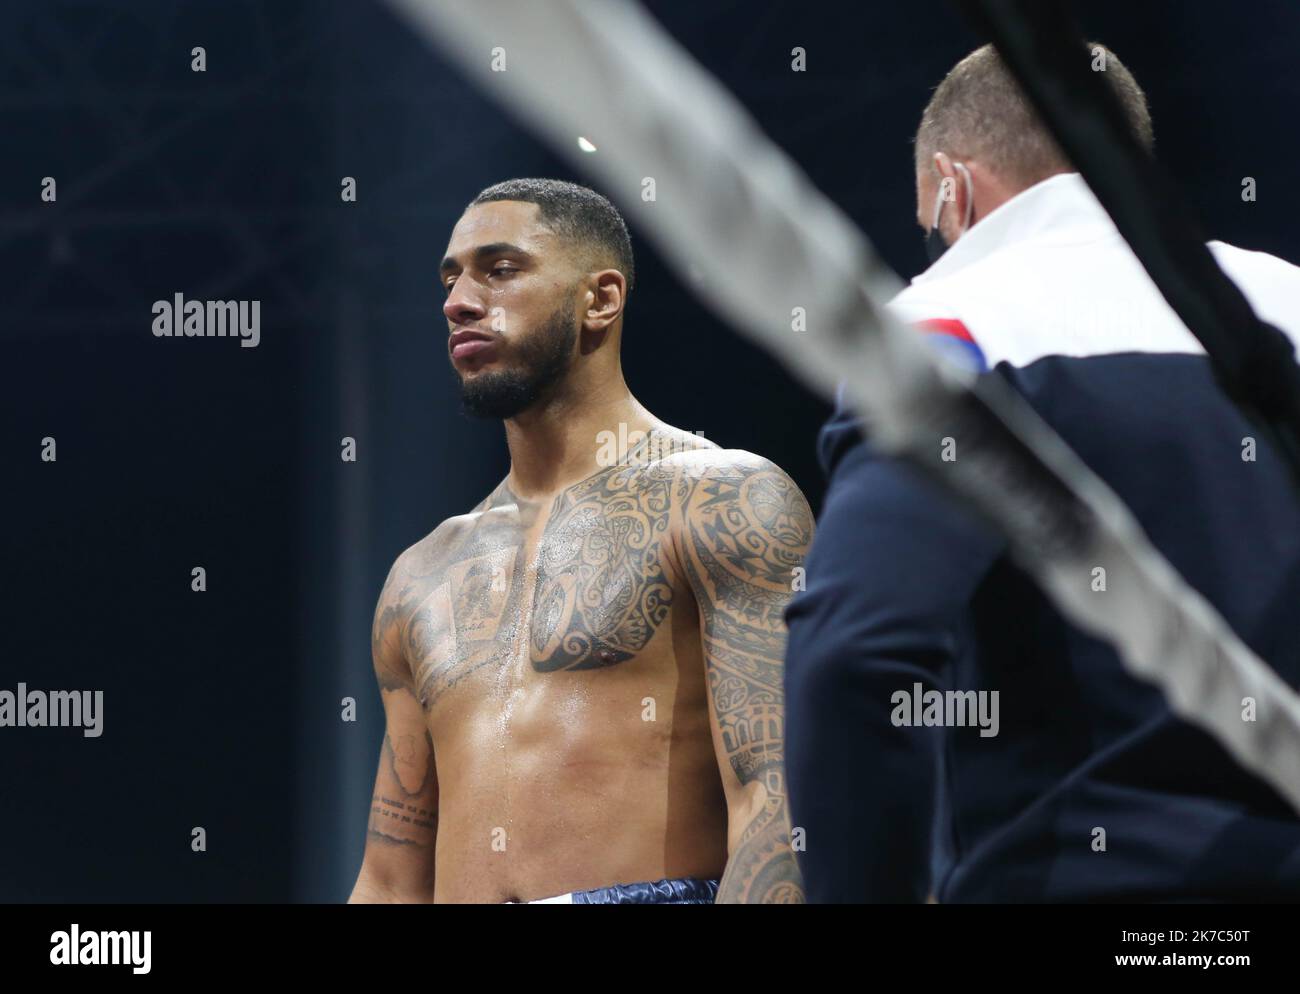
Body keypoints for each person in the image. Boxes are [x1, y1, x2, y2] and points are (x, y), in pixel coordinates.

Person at [784, 43, 1300, 902]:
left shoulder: (961, 319)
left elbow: (857, 656)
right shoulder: (1286, 303)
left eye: (933, 225)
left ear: (954, 187)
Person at [348, 178, 811, 904]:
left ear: (600, 299)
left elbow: (779, 805)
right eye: (451, 277)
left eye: (499, 270)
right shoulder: (423, 573)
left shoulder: (722, 502)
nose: (459, 301)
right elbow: (389, 878)